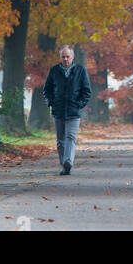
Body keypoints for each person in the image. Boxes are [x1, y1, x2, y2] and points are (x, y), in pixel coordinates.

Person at [43, 45, 92, 175]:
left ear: (72, 57)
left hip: (73, 111)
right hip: (58, 110)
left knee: (71, 137)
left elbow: (86, 91)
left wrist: (79, 104)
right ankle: (64, 165)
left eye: (67, 56)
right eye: (63, 57)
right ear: (60, 57)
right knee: (60, 140)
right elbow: (46, 90)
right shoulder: (54, 71)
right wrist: (50, 102)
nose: (65, 59)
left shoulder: (80, 71)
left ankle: (68, 161)